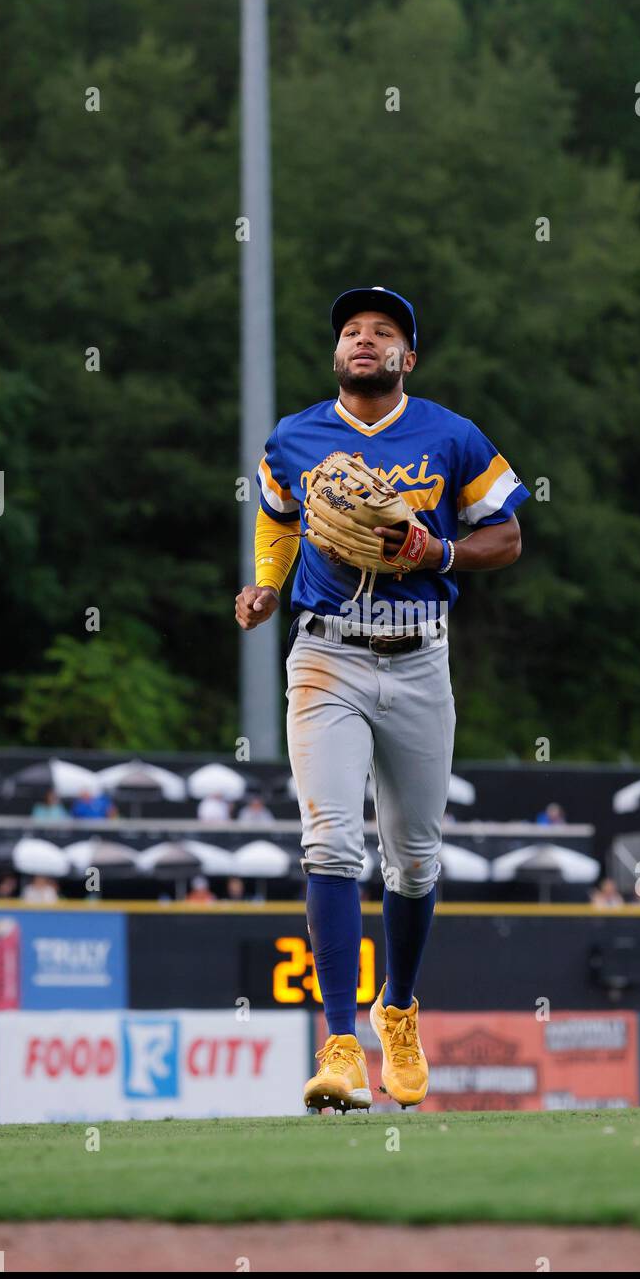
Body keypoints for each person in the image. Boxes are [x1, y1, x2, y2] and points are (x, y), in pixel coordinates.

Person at [235, 285, 528, 1113]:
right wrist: (264, 587)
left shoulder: (451, 434)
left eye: (384, 332)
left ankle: (396, 1009)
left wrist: (440, 548)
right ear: (337, 355)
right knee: (330, 844)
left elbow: (506, 535)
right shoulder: (294, 437)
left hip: (420, 658)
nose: (365, 340)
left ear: (409, 356)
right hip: (325, 654)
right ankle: (336, 1045)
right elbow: (277, 515)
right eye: (353, 332)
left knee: (416, 857)